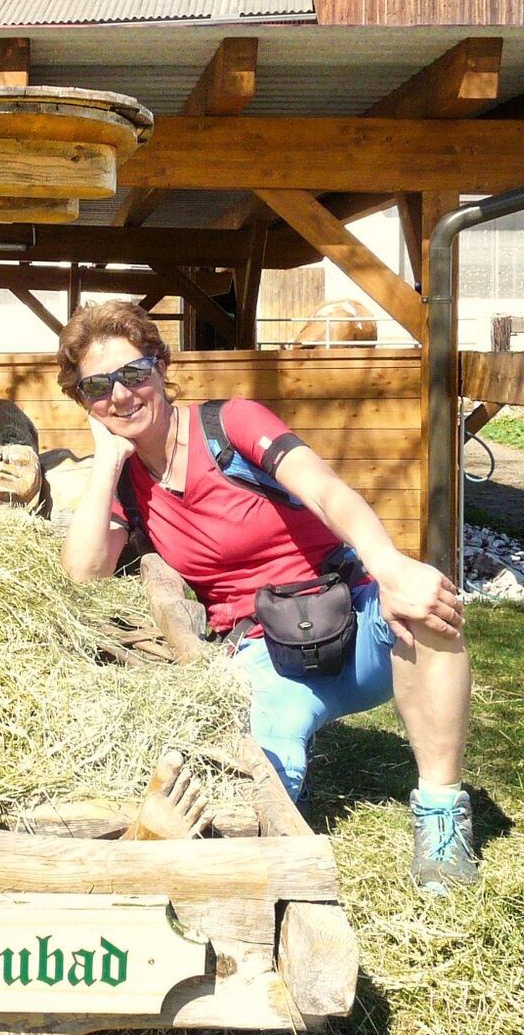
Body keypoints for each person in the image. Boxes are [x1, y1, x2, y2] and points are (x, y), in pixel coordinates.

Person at [56, 301, 478, 892]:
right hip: (262, 658)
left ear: (161, 368)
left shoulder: (230, 425)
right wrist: (105, 460)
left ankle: (440, 815)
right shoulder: (127, 483)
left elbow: (327, 491)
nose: (121, 396)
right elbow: (82, 574)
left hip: (349, 617)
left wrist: (389, 567)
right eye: (97, 387)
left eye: (133, 373)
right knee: (253, 798)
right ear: (83, 402)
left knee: (428, 614)